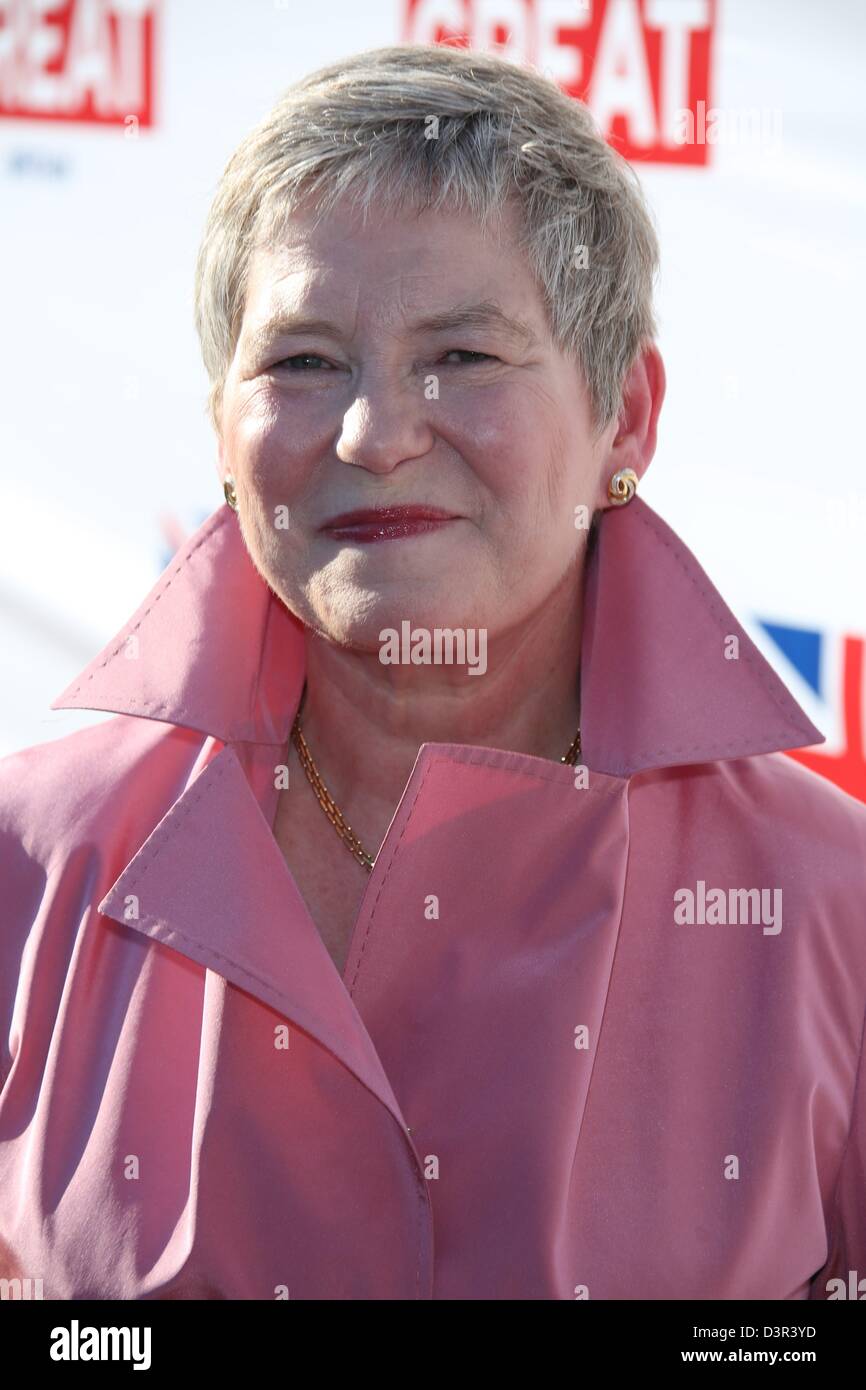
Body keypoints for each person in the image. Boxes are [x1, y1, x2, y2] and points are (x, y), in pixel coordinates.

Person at [1, 43, 864, 1302]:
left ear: (622, 413)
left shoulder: (827, 905)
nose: (374, 433)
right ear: (221, 432)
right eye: (302, 361)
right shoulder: (28, 862)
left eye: (461, 356)